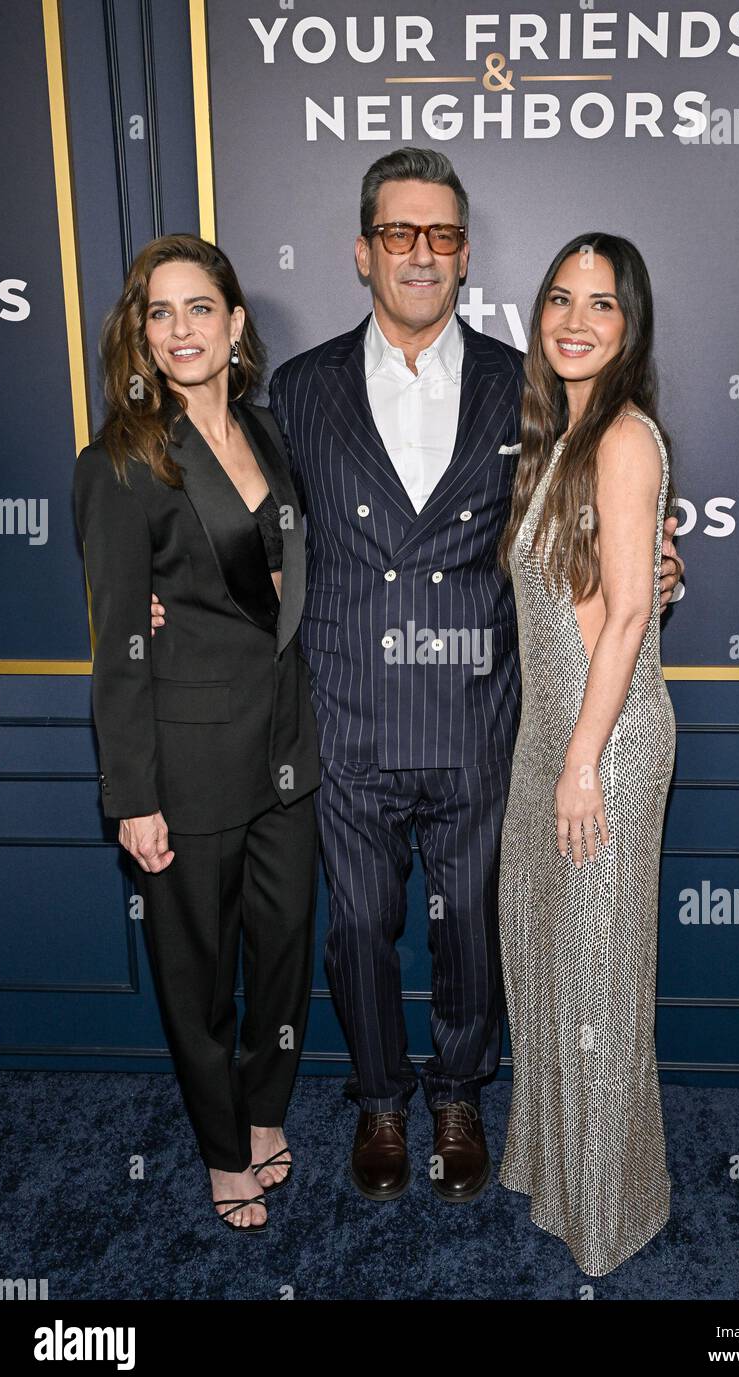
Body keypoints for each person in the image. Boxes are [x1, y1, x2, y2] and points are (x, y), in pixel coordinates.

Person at [152, 149, 684, 1204]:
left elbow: (585, 515)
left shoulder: (521, 385)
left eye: (441, 235)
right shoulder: (297, 395)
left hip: (483, 719)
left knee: (472, 931)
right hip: (344, 720)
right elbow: (247, 521)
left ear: (465, 253)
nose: (421, 254)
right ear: (363, 251)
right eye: (399, 233)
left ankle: (456, 1093)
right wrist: (170, 590)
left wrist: (656, 566)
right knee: (354, 931)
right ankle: (383, 1102)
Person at [73, 234, 320, 1231]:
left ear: (236, 324)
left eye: (200, 308)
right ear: (139, 334)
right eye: (159, 312)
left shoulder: (271, 434)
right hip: (188, 760)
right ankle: (225, 1149)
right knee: (196, 967)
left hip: (290, 745)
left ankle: (265, 1109)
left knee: (287, 948)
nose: (181, 330)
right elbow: (119, 641)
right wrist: (132, 794)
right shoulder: (122, 464)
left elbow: (286, 580)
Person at [496, 233, 676, 1275]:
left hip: (600, 745)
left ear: (630, 324)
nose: (575, 318)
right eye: (561, 297)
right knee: (547, 964)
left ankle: (609, 1212)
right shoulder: (558, 436)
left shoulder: (624, 438)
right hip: (548, 738)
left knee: (600, 983)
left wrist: (578, 763)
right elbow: (609, 581)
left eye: (601, 304)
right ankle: (556, 1168)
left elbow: (620, 627)